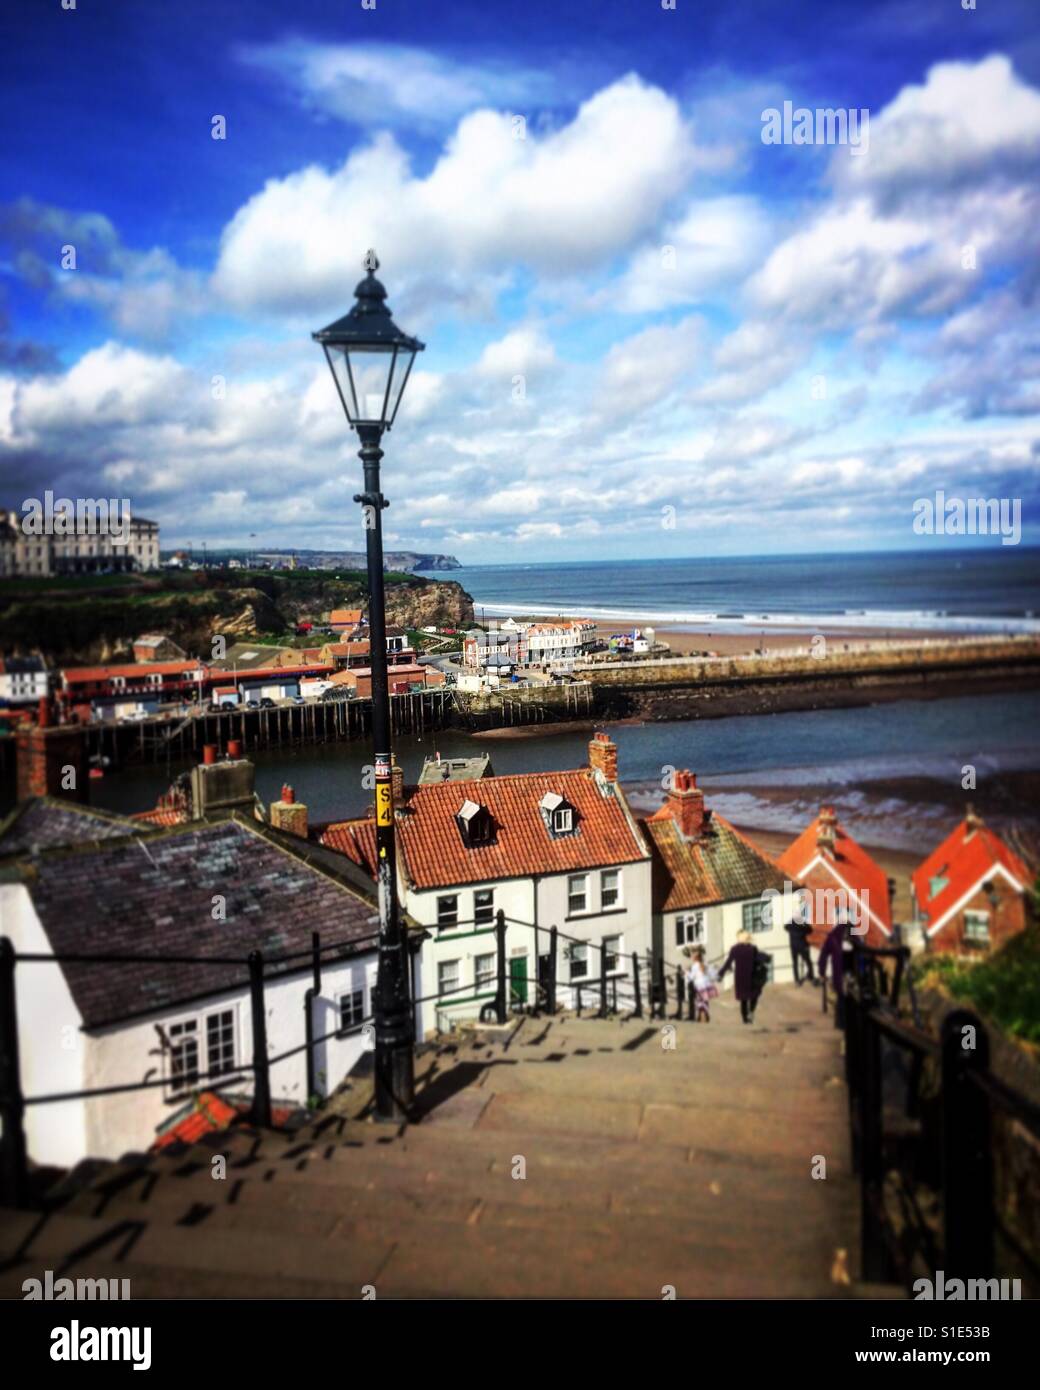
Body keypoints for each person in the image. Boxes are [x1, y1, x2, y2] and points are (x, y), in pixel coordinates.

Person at [719, 931, 761, 1024]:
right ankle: (751, 1012)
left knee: (743, 1000)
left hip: (740, 977)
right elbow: (758, 961)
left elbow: (728, 962)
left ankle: (745, 1019)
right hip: (751, 975)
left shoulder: (735, 949)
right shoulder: (753, 948)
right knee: (755, 995)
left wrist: (721, 973)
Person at [818, 915, 851, 1028]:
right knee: (847, 1000)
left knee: (842, 998)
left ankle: (841, 1023)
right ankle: (845, 1024)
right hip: (849, 973)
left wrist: (822, 972)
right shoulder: (853, 934)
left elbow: (823, 955)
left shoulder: (833, 936)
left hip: (839, 973)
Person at [686, 947, 717, 1023]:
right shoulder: (704, 964)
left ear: (695, 958)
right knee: (705, 1000)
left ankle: (700, 1014)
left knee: (699, 1000)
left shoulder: (695, 966)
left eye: (692, 956)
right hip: (706, 985)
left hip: (699, 985)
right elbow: (711, 973)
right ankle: (706, 1013)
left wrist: (686, 972)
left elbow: (691, 977)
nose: (691, 957)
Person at [784, 912, 815, 986]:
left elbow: (785, 927)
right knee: (808, 962)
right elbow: (810, 930)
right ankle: (810, 977)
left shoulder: (790, 925)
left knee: (795, 963)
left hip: (793, 947)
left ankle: (797, 981)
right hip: (803, 946)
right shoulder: (802, 923)